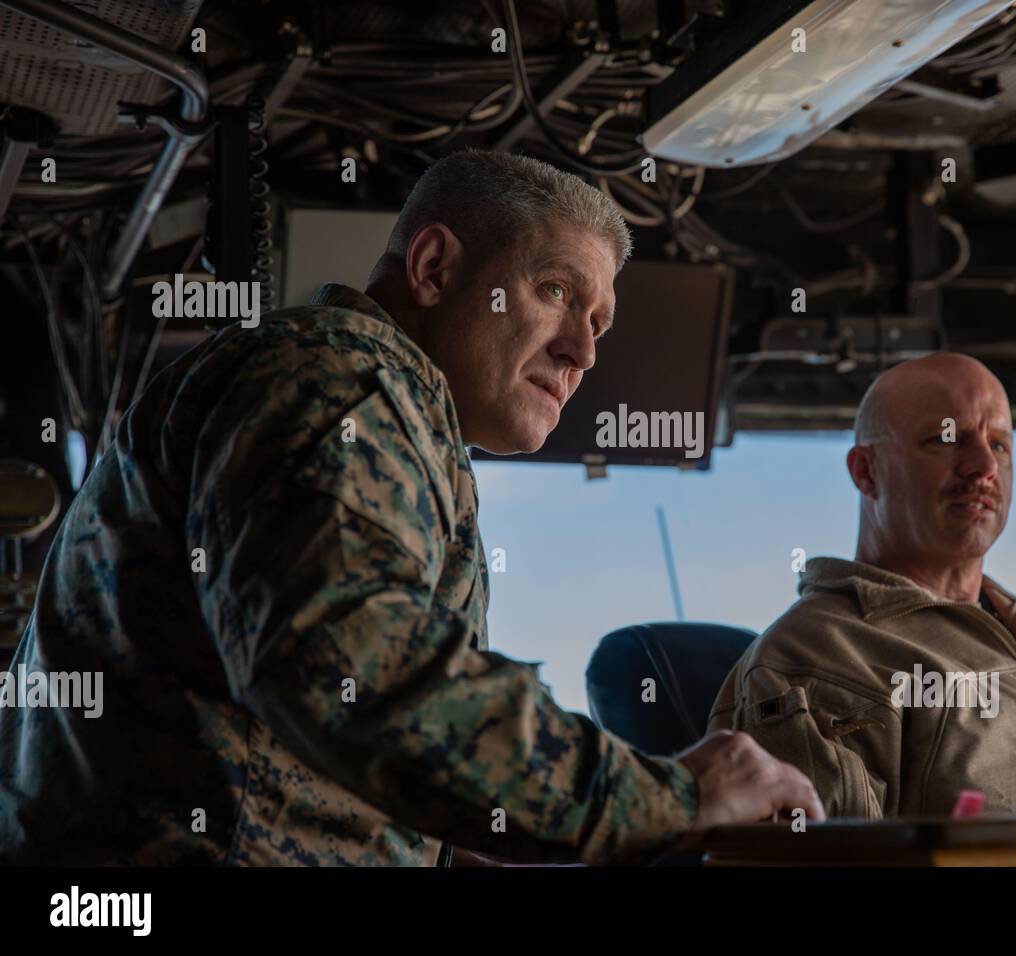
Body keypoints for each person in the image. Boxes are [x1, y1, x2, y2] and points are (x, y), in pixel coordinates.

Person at [0, 149, 823, 866]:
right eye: (555, 291)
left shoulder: (389, 412)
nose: (583, 352)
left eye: (599, 323)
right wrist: (672, 798)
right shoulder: (337, 383)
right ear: (433, 268)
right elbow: (351, 665)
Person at [709, 352, 1016, 818]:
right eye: (948, 439)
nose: (984, 466)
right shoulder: (816, 655)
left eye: (1000, 445)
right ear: (866, 471)